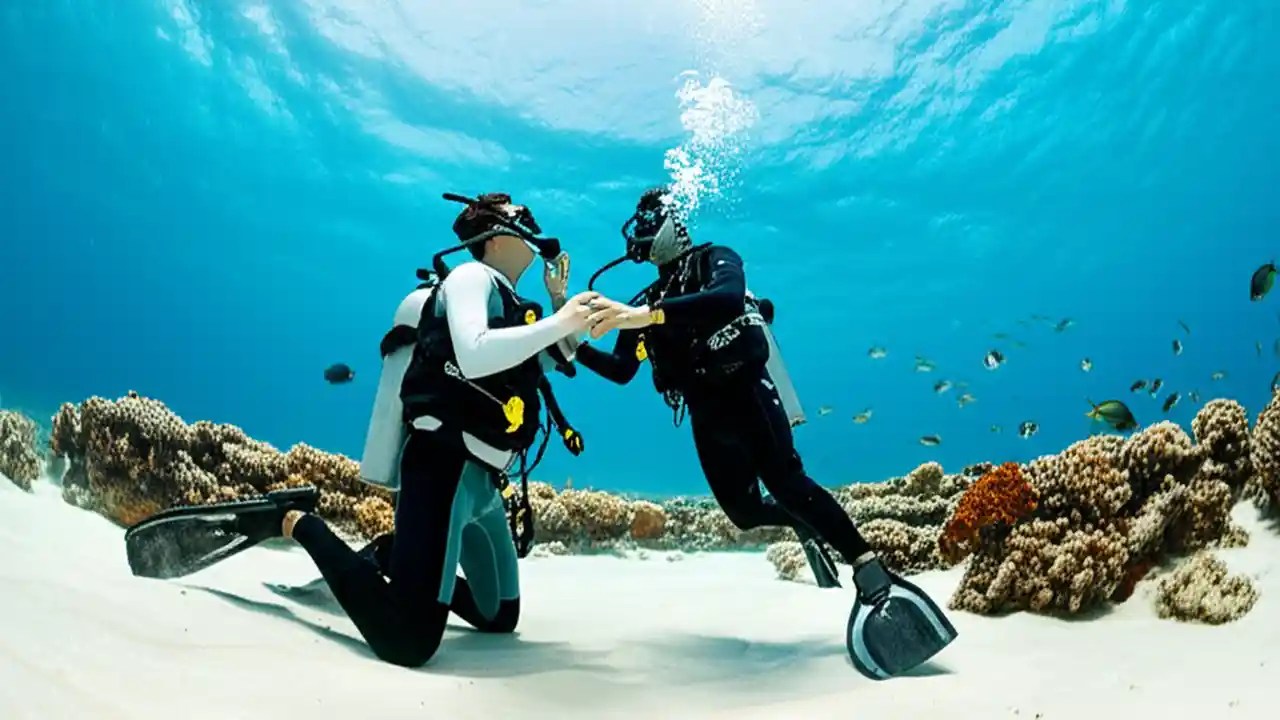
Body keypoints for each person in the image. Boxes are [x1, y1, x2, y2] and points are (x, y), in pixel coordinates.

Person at [577, 186, 957, 680]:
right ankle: (803, 525)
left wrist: (646, 317)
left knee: (788, 483)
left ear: (674, 223)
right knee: (743, 513)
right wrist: (568, 349)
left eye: (651, 219)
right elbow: (622, 369)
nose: (643, 231)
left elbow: (727, 298)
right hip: (705, 416)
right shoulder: (642, 302)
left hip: (747, 394)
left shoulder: (715, 258)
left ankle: (873, 576)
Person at [266, 192, 598, 667]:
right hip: (441, 466)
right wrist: (560, 320)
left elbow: (557, 355)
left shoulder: (512, 303)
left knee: (500, 615)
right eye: (522, 217)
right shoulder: (469, 277)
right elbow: (474, 352)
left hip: (485, 482)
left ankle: (393, 556)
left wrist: (560, 303)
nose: (533, 223)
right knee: (408, 642)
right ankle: (297, 521)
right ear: (496, 234)